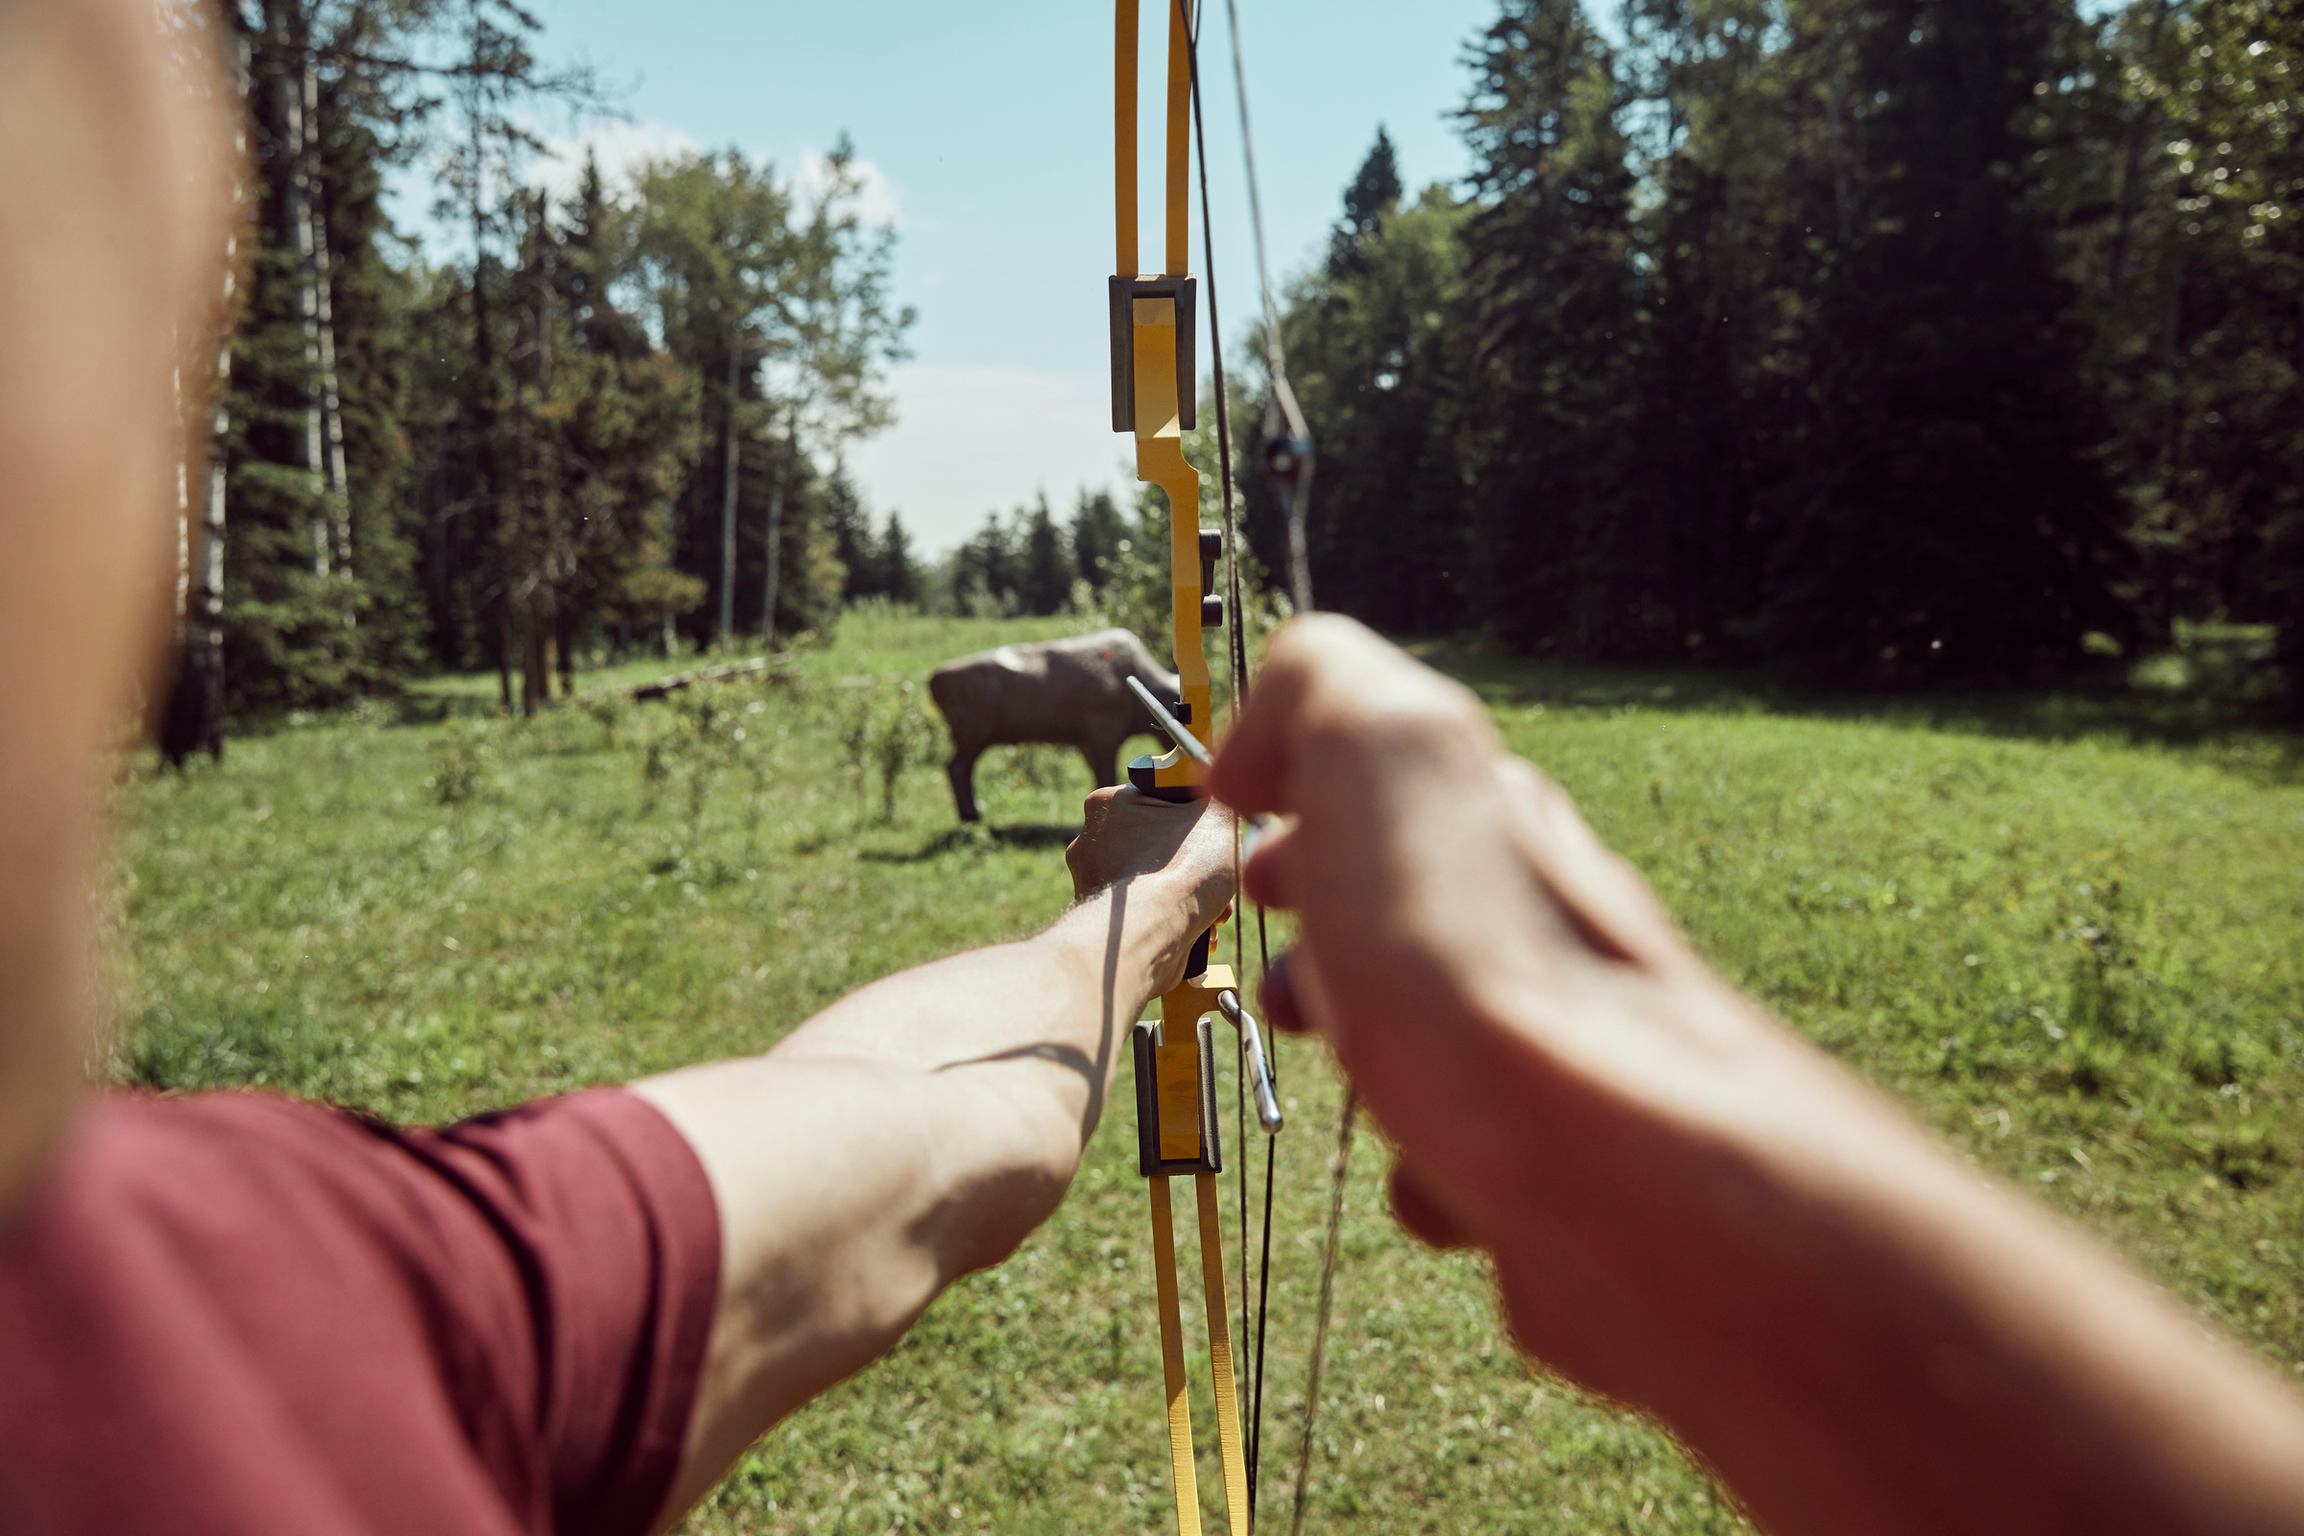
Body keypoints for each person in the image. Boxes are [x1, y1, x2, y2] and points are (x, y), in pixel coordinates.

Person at [5, 3, 2304, 1533]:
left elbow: (929, 1119)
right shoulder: (269, 1299)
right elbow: (915, 1134)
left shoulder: (264, 1291)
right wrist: (1658, 1135)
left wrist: (1163, 890)